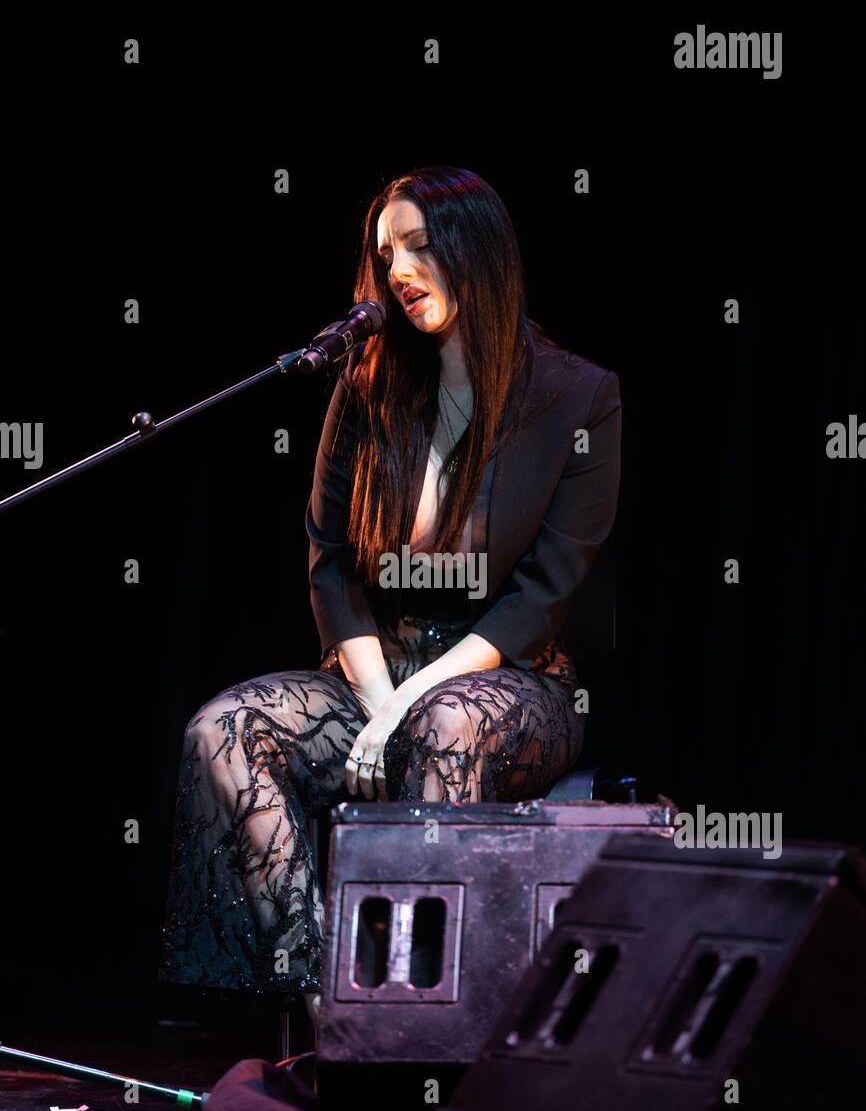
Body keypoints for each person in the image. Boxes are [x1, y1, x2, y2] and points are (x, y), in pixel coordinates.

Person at [157, 165, 622, 1028]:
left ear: (476, 252)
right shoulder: (366, 384)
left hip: (509, 676)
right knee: (222, 731)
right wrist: (379, 698)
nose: (398, 270)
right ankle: (332, 999)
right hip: (378, 671)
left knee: (446, 726)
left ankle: (421, 1020)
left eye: (417, 246)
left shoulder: (578, 395)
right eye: (385, 254)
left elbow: (544, 592)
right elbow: (330, 563)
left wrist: (409, 704)